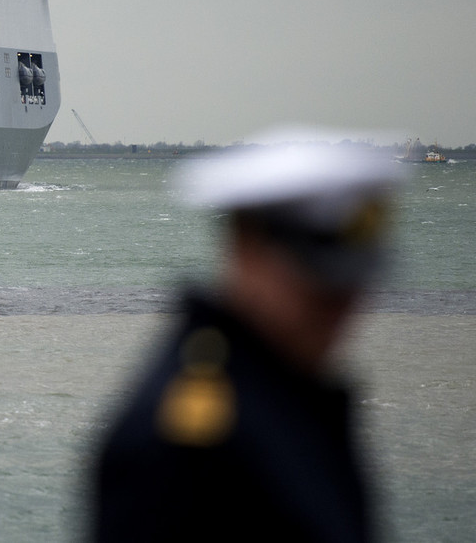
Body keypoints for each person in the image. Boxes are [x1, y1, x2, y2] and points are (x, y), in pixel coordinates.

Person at [91, 131, 403, 542]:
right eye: (318, 285)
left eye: (350, 286)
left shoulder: (285, 398)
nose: (340, 309)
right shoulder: (185, 438)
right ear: (246, 245)